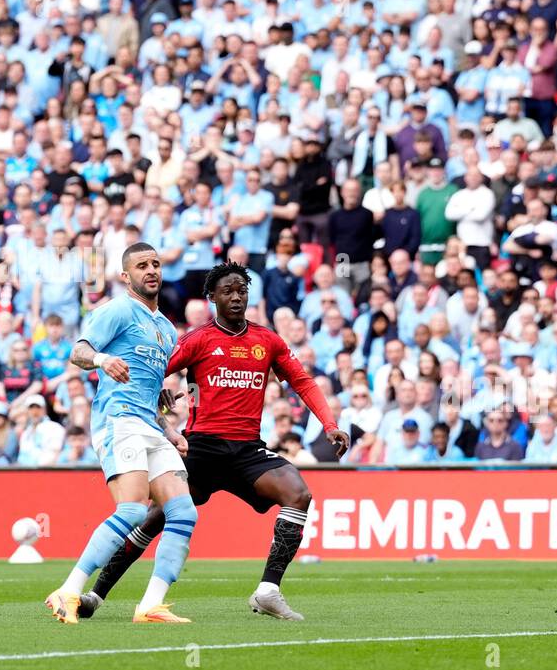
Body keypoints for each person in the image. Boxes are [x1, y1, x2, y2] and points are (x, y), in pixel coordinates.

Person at [85, 261, 349, 621]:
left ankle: (268, 591)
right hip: (201, 447)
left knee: (299, 494)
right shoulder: (199, 339)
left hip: (247, 450)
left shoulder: (267, 340)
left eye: (242, 290)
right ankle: (96, 594)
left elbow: (302, 380)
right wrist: (158, 394)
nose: (237, 297)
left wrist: (329, 423)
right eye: (228, 291)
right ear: (212, 298)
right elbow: (152, 370)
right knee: (154, 518)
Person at [44, 242, 195, 625]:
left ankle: (150, 605)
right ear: (127, 276)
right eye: (142, 265)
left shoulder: (165, 328)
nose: (151, 270)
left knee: (183, 512)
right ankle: (68, 590)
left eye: (156, 264)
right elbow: (78, 352)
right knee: (131, 510)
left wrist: (168, 425)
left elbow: (149, 390)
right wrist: (102, 359)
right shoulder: (116, 309)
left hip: (148, 424)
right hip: (118, 421)